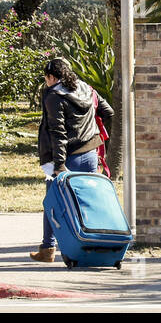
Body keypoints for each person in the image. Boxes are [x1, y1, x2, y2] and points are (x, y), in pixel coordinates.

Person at [29, 57, 114, 263]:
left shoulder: (54, 96)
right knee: (84, 203)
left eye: (46, 78)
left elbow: (58, 133)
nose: (46, 82)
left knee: (53, 204)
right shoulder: (86, 89)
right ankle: (89, 245)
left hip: (68, 158)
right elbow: (108, 112)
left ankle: (49, 248)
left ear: (51, 77)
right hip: (91, 155)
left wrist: (58, 165)